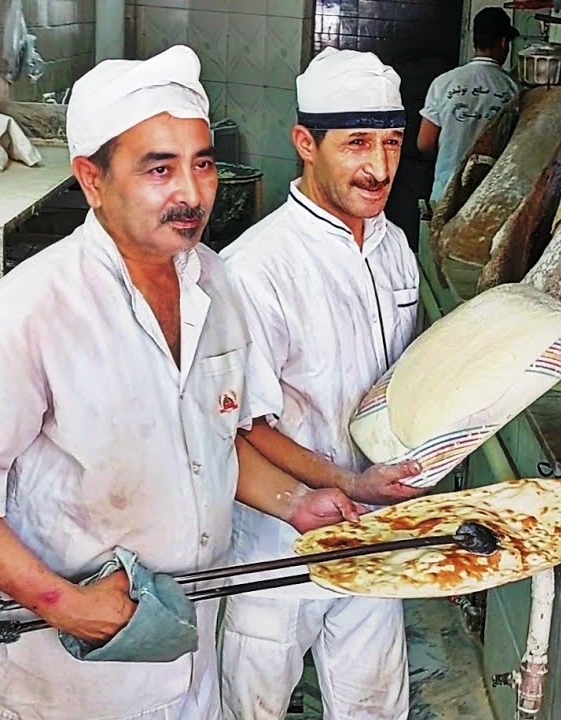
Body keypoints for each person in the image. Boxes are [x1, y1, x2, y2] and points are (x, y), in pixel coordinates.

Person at [0, 46, 360, 720]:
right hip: (69, 681)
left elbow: (209, 440)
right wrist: (66, 604)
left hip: (186, 653)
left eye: (201, 163)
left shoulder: (215, 283)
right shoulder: (29, 312)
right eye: (158, 168)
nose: (191, 193)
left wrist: (296, 501)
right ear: (92, 179)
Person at [217, 47, 429, 719]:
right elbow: (247, 424)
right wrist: (344, 481)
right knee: (253, 706)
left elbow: (407, 380)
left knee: (374, 706)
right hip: (278, 546)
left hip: (374, 534)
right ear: (306, 144)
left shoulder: (394, 246)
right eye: (357, 143)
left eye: (392, 143)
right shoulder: (256, 268)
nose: (380, 167)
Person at [418, 7, 522, 205]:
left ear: (475, 41)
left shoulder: (443, 82)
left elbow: (425, 143)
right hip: (489, 198)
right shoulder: (513, 89)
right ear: (503, 43)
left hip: (446, 192)